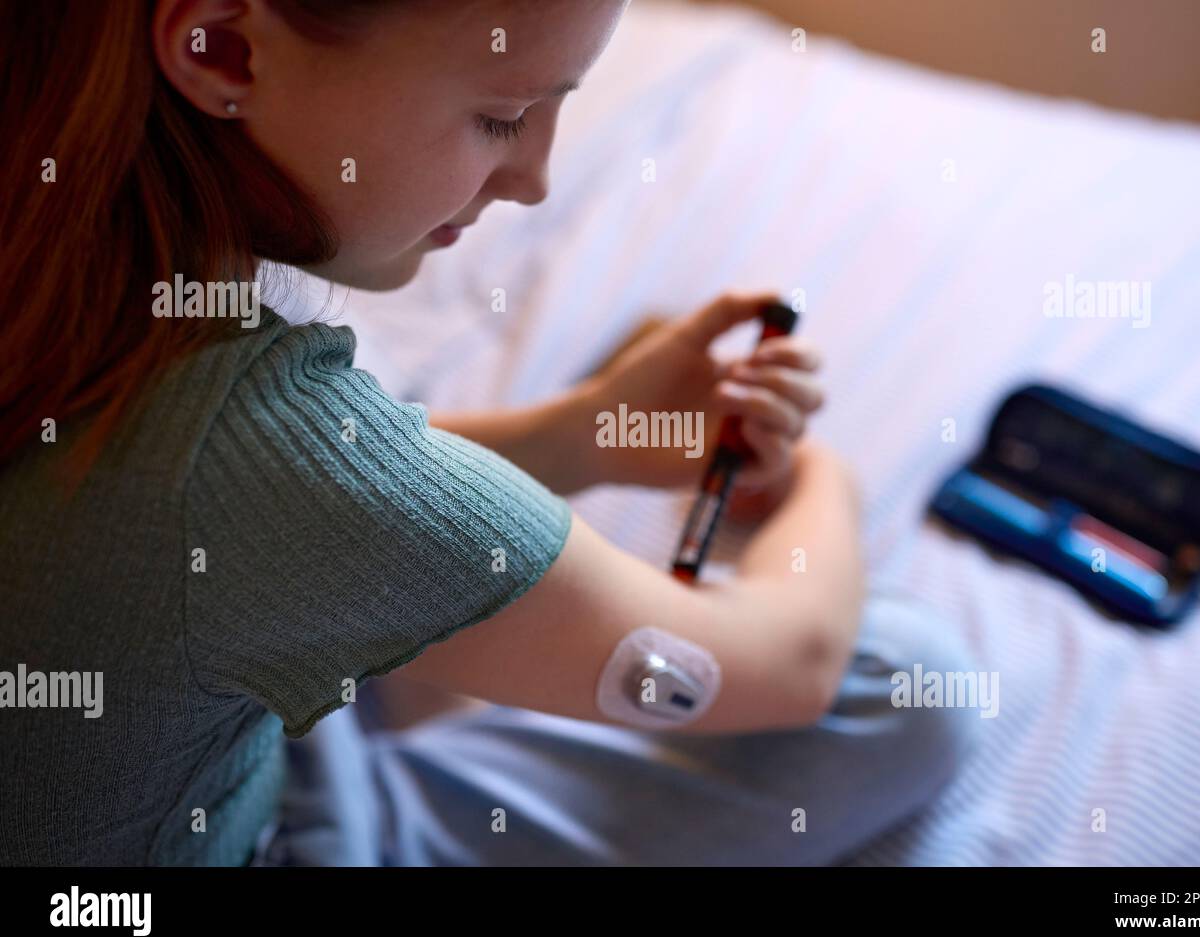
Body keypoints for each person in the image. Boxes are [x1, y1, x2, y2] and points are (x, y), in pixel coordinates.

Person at [0, 0, 978, 866]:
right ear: (220, 49)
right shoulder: (255, 447)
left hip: (199, 708)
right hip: (272, 819)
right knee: (903, 681)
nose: (536, 178)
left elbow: (269, 527)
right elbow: (781, 669)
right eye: (501, 116)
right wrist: (820, 480)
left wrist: (578, 434)